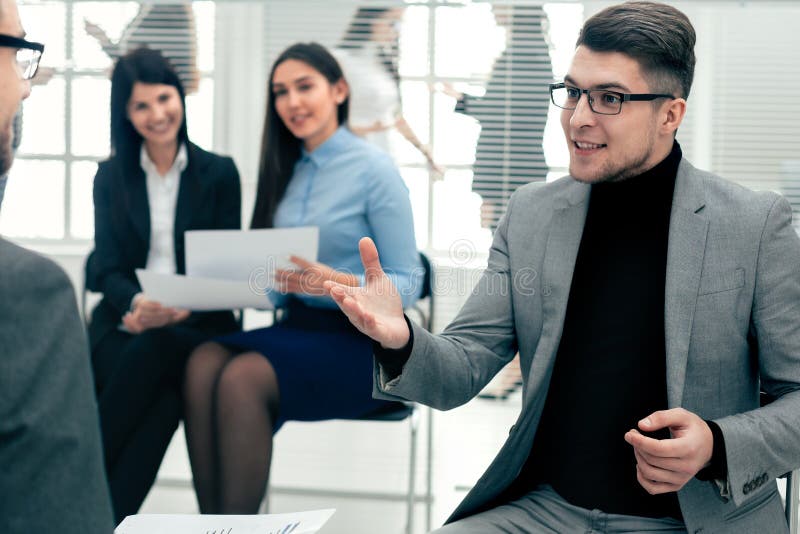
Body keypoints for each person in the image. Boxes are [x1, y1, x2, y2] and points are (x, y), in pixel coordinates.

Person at [325, 2, 800, 532]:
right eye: (572, 92)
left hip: (688, 521)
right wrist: (401, 338)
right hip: (543, 510)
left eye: (609, 99)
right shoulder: (530, 214)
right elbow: (463, 366)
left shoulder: (755, 225)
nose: (578, 118)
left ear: (670, 114)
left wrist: (715, 443)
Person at [182, 42, 421, 513]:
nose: (292, 102)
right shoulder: (284, 171)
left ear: (338, 90)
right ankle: (214, 526)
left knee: (241, 377)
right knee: (203, 360)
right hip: (295, 329)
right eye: (280, 92)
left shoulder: (375, 171)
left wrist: (337, 285)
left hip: (361, 345)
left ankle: (234, 526)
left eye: (304, 87)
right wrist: (224, 283)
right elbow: (276, 282)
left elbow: (409, 281)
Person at [85, 47, 241, 522]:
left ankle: (81, 483)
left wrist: (180, 309)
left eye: (164, 98)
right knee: (164, 398)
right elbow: (104, 268)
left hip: (198, 323)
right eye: (141, 106)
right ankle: (102, 523)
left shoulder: (219, 173)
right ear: (126, 115)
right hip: (129, 322)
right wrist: (136, 302)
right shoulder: (111, 177)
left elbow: (226, 272)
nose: (158, 114)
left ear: (181, 96)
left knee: (154, 353)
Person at [0, 0, 114, 531]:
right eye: (15, 52)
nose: (26, 88)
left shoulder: (215, 174)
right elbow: (106, 269)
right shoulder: (28, 292)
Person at [441, 4, 553, 231]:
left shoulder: (523, 54)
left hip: (510, 163)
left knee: (506, 239)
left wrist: (460, 97)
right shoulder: (528, 50)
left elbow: (501, 113)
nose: (492, 8)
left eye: (497, 3)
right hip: (509, 161)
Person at [335, 7, 441, 173]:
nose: (396, 31)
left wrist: (424, 150)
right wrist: (364, 129)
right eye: (392, 23)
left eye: (399, 25)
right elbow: (323, 117)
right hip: (352, 158)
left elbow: (393, 116)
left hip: (385, 156)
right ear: (372, 21)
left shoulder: (383, 62)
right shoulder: (340, 60)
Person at [84, 1, 199, 94]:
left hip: (156, 88)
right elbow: (132, 53)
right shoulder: (147, 8)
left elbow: (140, 55)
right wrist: (101, 38)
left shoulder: (167, 9)